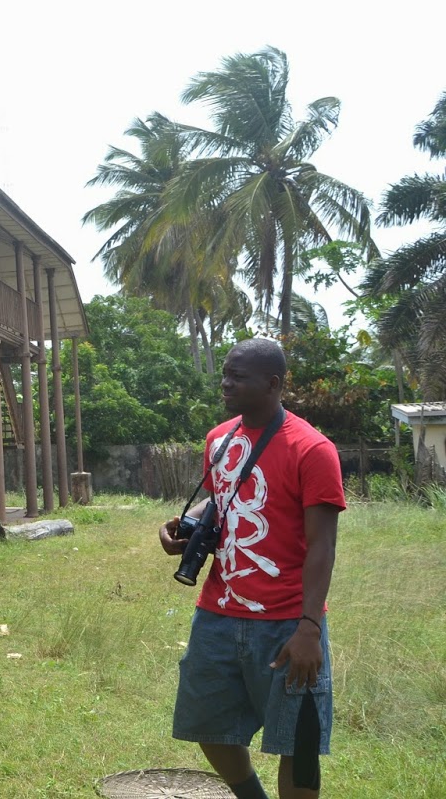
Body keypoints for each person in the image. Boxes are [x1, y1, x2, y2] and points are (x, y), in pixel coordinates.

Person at [158, 338, 345, 799]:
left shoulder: (312, 449)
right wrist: (184, 525)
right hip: (217, 614)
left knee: (298, 743)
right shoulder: (219, 439)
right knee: (207, 724)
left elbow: (322, 545)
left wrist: (309, 627)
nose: (225, 383)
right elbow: (221, 497)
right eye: (225, 373)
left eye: (237, 377)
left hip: (287, 621)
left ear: (272, 384)